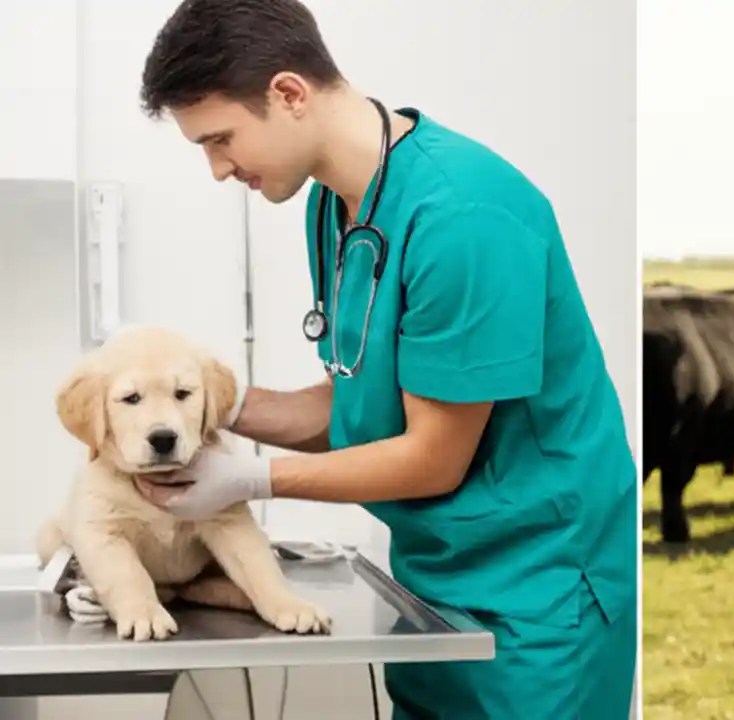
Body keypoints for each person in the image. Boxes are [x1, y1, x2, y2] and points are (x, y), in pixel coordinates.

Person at [128, 1, 638, 717]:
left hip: (536, 593)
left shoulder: (464, 215)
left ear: (289, 94)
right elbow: (362, 401)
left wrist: (250, 479)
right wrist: (207, 402)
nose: (217, 169)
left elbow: (434, 456)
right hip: (435, 580)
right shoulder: (336, 204)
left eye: (220, 139)